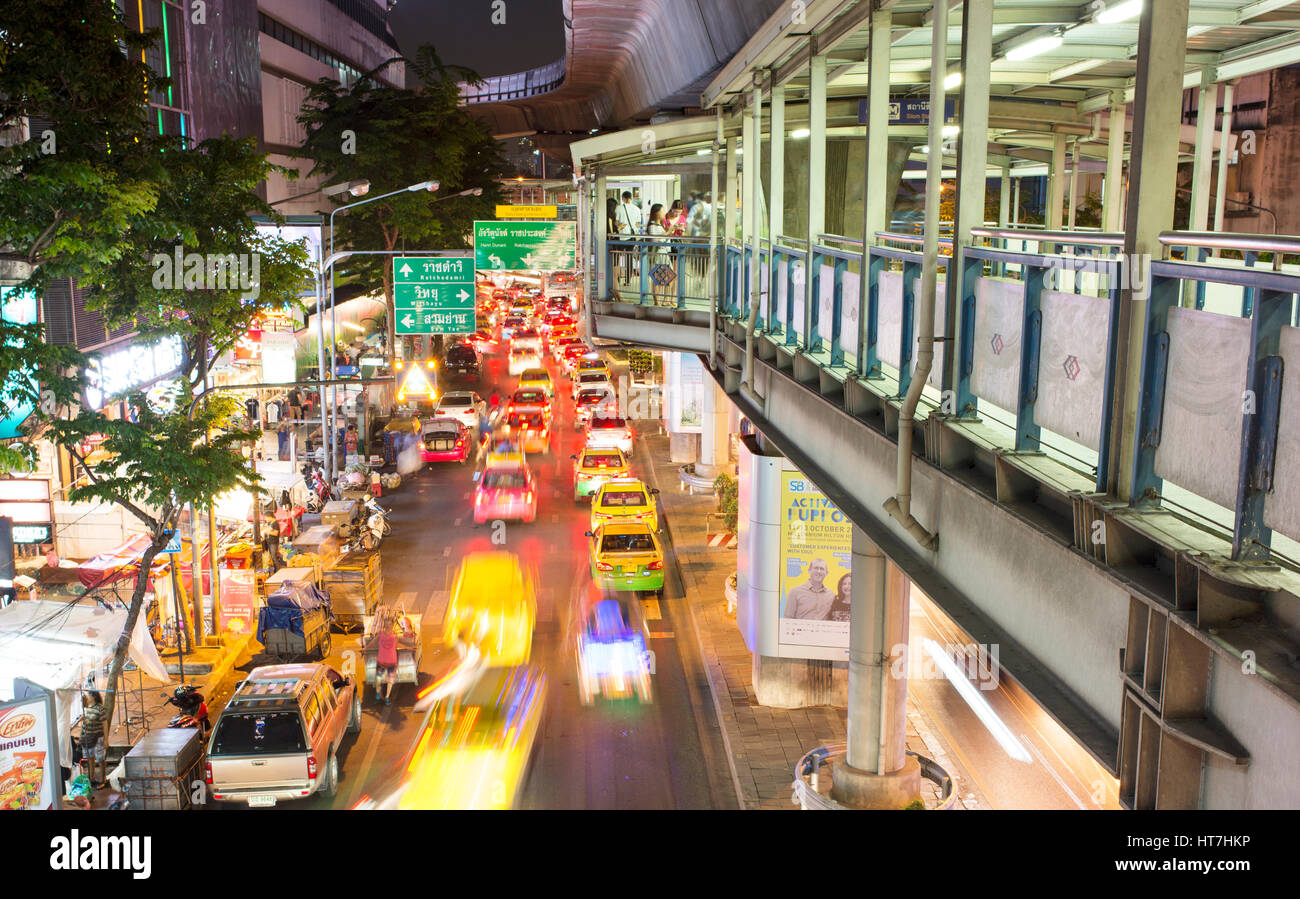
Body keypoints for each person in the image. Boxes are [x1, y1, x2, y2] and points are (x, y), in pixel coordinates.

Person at [79, 691, 107, 788]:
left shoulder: (100, 708)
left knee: (100, 759)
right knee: (90, 758)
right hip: (88, 737)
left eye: (89, 696)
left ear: (93, 696)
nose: (87, 698)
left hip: (98, 737)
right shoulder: (87, 709)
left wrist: (106, 739)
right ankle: (91, 779)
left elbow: (105, 724)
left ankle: (103, 779)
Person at [645, 203, 671, 306]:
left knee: (665, 276)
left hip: (663, 253)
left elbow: (663, 239)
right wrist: (667, 232)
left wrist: (669, 233)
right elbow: (654, 239)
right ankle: (656, 301)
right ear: (657, 213)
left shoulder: (660, 225)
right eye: (662, 210)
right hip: (658, 254)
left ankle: (662, 300)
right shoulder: (652, 225)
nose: (664, 213)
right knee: (657, 277)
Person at [376, 628, 398, 705]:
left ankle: (384, 696)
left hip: (388, 660)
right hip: (385, 660)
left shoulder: (392, 635)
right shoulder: (382, 633)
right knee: (381, 677)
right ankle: (383, 695)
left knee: (383, 677)